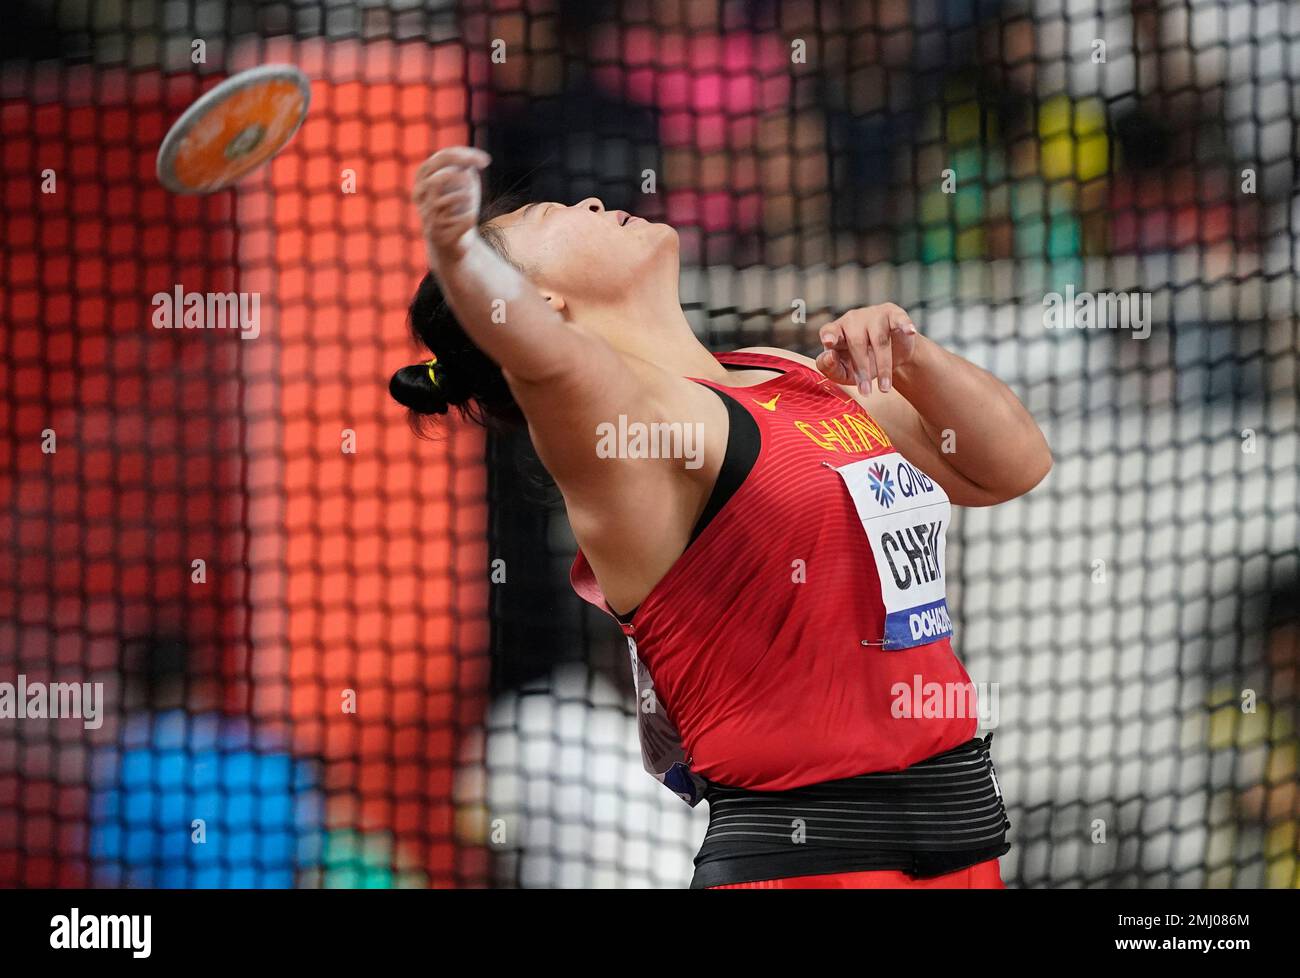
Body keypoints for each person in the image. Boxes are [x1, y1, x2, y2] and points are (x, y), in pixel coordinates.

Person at [389, 146, 1053, 888]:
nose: (590, 204)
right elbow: (548, 362)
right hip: (811, 864)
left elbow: (1010, 465)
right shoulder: (627, 430)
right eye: (554, 215)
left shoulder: (789, 372)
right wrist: (455, 255)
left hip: (962, 841)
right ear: (540, 305)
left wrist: (913, 355)